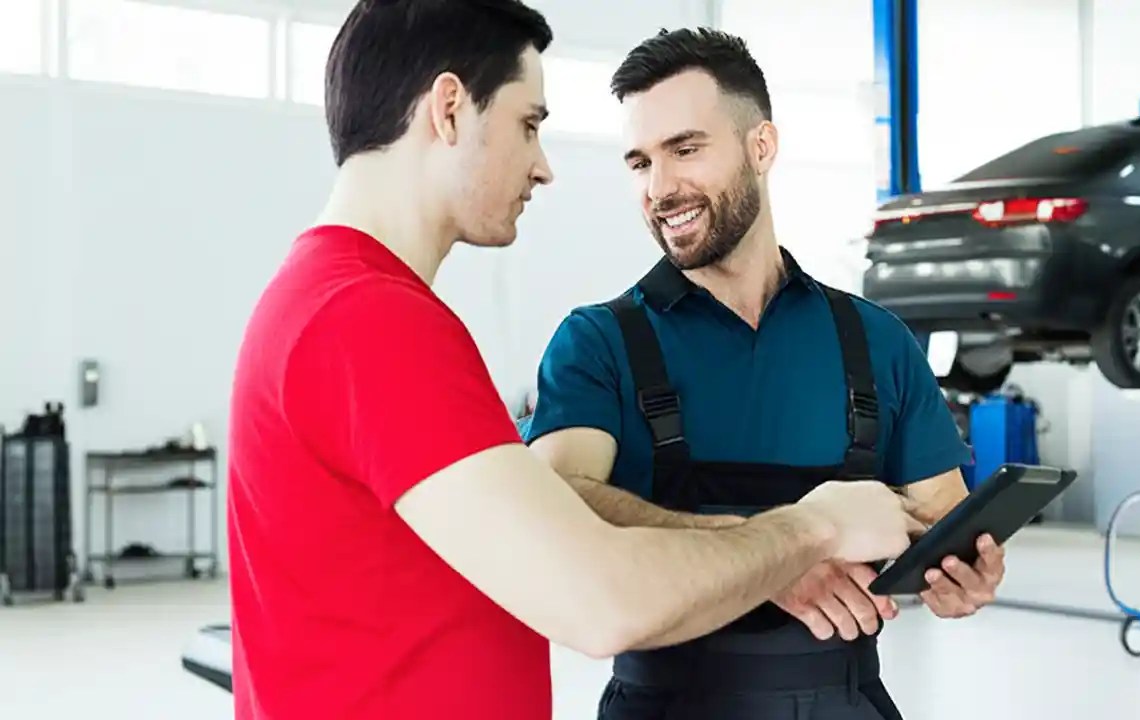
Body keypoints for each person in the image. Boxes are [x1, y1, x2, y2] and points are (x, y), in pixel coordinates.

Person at [226, 3, 926, 720]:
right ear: (449, 109)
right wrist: (812, 528)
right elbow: (602, 603)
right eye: (528, 124)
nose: (543, 167)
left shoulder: (327, 299)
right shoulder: (371, 321)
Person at [522, 27, 1008, 720]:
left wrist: (964, 570)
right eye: (640, 162)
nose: (660, 188)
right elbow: (557, 507)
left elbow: (941, 518)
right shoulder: (598, 343)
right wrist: (773, 560)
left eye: (685, 150)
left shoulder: (875, 342)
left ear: (761, 147)